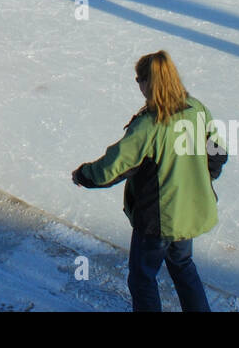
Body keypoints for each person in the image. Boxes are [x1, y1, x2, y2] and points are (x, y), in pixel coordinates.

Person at [72, 50, 226, 312]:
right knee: (183, 267)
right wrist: (197, 180)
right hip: (190, 211)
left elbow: (116, 165)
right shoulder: (197, 109)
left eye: (138, 80)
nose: (138, 86)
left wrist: (84, 175)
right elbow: (218, 155)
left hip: (158, 218)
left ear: (149, 83)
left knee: (143, 278)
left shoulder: (149, 125)